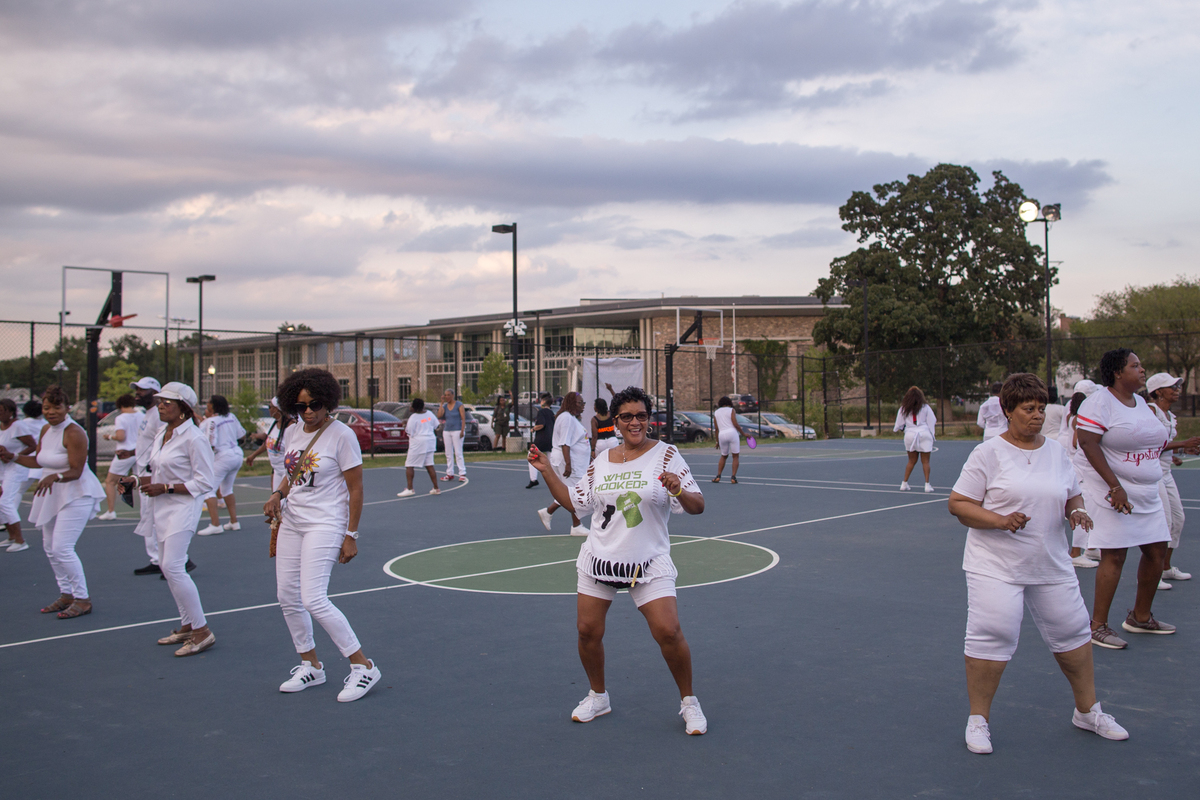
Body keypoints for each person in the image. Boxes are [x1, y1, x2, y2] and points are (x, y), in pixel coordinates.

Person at [948, 373, 1128, 754]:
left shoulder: (1057, 453)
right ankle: (978, 720)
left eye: (1041, 408)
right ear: (1007, 410)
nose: (1037, 415)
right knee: (993, 632)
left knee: (1073, 631)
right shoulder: (987, 454)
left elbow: (1072, 494)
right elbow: (959, 504)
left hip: (1050, 562)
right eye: (1028, 408)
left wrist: (1076, 511)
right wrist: (1000, 520)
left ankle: (1087, 712)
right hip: (995, 564)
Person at [529, 386, 708, 735]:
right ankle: (598, 696)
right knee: (587, 632)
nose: (635, 422)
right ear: (616, 421)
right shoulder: (601, 461)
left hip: (647, 561)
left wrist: (678, 489)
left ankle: (689, 702)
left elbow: (698, 505)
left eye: (641, 415)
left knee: (669, 632)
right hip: (600, 558)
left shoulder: (667, 455)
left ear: (649, 418)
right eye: (627, 416)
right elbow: (575, 502)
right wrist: (547, 469)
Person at [264, 368, 380, 703]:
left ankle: (363, 666)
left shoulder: (342, 435)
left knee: (313, 598)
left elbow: (356, 489)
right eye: (301, 406)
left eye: (315, 404)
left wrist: (351, 534)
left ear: (328, 402)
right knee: (287, 596)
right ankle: (311, 665)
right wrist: (278, 494)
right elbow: (292, 473)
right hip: (293, 521)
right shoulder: (294, 431)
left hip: (326, 523)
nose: (308, 411)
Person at [1075, 349, 1179, 650]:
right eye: (1135, 365)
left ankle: (1140, 617)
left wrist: (1181, 447)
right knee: (1115, 555)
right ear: (1118, 373)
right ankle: (1097, 626)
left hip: (1147, 493)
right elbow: (1087, 443)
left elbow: (1150, 443)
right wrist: (1115, 486)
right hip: (1113, 493)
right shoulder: (1099, 403)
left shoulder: (1142, 405)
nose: (1142, 369)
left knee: (1157, 551)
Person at [119, 382, 217, 656]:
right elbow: (157, 471)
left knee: (173, 566)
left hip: (182, 508)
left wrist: (166, 488)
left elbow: (205, 482)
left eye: (167, 402)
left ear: (183, 408)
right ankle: (187, 625)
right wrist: (135, 479)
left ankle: (202, 631)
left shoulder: (194, 438)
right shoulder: (163, 432)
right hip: (161, 507)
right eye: (160, 401)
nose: (160, 405)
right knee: (166, 565)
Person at [4, 386, 105, 618]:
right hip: (52, 494)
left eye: (56, 407)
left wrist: (55, 476)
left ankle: (83, 599)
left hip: (77, 494)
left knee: (62, 548)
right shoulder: (46, 430)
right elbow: (40, 461)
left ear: (67, 408)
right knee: (50, 548)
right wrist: (14, 457)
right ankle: (66, 594)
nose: (51, 412)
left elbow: (76, 470)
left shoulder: (74, 432)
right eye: (47, 407)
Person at [1146, 372, 1197, 587]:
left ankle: (1165, 568)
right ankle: (1153, 573)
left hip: (1166, 472)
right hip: (1152, 473)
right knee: (1163, 522)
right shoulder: (1150, 411)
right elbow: (1148, 443)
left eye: (1177, 386)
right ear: (1158, 392)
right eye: (1172, 387)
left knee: (1178, 519)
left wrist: (1178, 453)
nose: (1176, 390)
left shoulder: (1169, 415)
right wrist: (1183, 443)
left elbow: (1163, 446)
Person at [537, 392, 590, 536]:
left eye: (583, 403)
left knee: (571, 491)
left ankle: (548, 512)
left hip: (574, 462)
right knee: (575, 492)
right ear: (572, 403)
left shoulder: (570, 418)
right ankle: (576, 525)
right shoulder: (566, 418)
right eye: (580, 403)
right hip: (568, 461)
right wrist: (568, 464)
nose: (583, 406)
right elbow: (565, 443)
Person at [1060, 382, 1100, 568]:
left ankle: (1090, 547)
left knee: (1092, 508)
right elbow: (1078, 443)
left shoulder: (1073, 415)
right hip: (1081, 468)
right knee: (1084, 509)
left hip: (1079, 466)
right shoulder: (1080, 418)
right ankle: (1076, 553)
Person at [198, 395, 245, 536]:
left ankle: (215, 524)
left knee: (208, 490)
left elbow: (210, 443)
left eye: (209, 403)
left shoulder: (212, 421)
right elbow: (242, 435)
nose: (207, 405)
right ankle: (234, 522)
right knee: (227, 489)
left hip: (223, 455)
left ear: (213, 406)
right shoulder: (231, 416)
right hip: (237, 454)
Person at [98, 394, 144, 520]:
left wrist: (109, 437)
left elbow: (121, 437)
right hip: (140, 452)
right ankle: (146, 511)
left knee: (110, 481)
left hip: (125, 453)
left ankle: (111, 511)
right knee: (141, 481)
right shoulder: (142, 415)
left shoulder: (121, 418)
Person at [0, 398, 37, 552]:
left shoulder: (18, 426)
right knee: (1, 503)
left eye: (1, 411)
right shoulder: (1, 427)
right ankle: (11, 537)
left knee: (5, 502)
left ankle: (20, 540)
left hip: (16, 468)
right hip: (3, 468)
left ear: (10, 412)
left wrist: (14, 456)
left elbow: (32, 446)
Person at [245, 398, 293, 492]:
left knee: (287, 499)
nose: (269, 409)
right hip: (277, 470)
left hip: (287, 472)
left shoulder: (291, 427)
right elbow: (268, 443)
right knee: (276, 498)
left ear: (277, 409)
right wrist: (253, 455)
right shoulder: (274, 424)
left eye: (270, 407)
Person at [894, 386, 937, 492]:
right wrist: (931, 432)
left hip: (910, 434)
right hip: (924, 433)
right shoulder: (925, 407)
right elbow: (932, 420)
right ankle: (927, 485)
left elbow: (899, 424)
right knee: (925, 461)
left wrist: (903, 429)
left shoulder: (903, 408)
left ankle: (904, 483)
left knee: (911, 460)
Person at [398, 397, 439, 497]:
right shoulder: (429, 414)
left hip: (418, 442)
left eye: (411, 405)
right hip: (430, 441)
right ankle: (436, 488)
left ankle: (410, 488)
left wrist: (404, 425)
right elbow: (436, 425)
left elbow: (409, 432)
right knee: (429, 464)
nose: (410, 407)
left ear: (415, 408)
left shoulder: (413, 417)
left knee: (409, 465)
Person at [711, 396, 745, 484]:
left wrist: (717, 441)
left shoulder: (716, 412)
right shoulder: (731, 410)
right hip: (732, 433)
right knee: (735, 456)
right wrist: (743, 433)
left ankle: (718, 476)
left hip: (722, 434)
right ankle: (733, 477)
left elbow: (716, 428)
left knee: (723, 455)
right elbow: (735, 424)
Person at [436, 390, 468, 482]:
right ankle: (449, 473)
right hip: (447, 431)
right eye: (446, 395)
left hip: (457, 430)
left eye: (449, 395)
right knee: (448, 453)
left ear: (453, 395)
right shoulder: (445, 406)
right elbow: (439, 415)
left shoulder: (459, 405)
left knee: (458, 452)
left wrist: (462, 430)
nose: (447, 397)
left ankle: (462, 473)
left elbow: (463, 418)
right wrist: (441, 403)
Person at [526, 393, 555, 489]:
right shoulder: (551, 413)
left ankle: (533, 479)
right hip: (550, 438)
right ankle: (555, 477)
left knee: (531, 454)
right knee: (550, 457)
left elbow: (541, 424)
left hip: (541, 439)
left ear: (544, 402)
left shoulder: (541, 412)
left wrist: (533, 429)